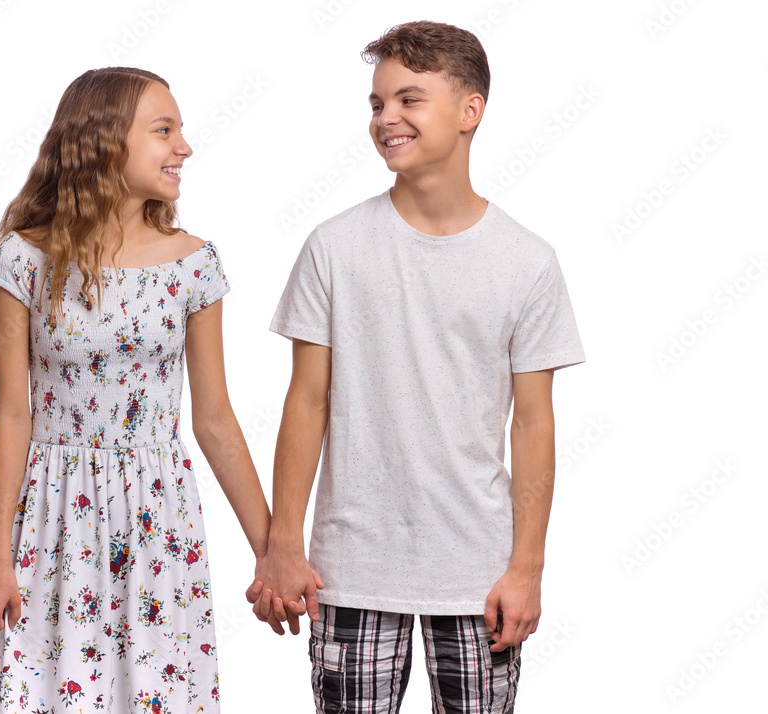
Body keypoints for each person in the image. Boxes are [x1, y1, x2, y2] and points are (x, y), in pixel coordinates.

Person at [246, 21, 587, 714]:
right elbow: (305, 403)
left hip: (479, 575)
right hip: (351, 570)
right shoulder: (334, 247)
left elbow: (535, 427)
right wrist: (283, 542)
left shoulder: (527, 261)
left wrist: (527, 567)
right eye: (376, 104)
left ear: (470, 110)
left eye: (409, 100)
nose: (386, 119)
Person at [0, 66, 278, 713]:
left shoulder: (192, 263)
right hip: (53, 518)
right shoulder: (22, 260)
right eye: (164, 130)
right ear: (105, 140)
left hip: (157, 521)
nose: (184, 147)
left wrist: (272, 550)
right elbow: (13, 414)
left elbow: (214, 418)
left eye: (181, 132)